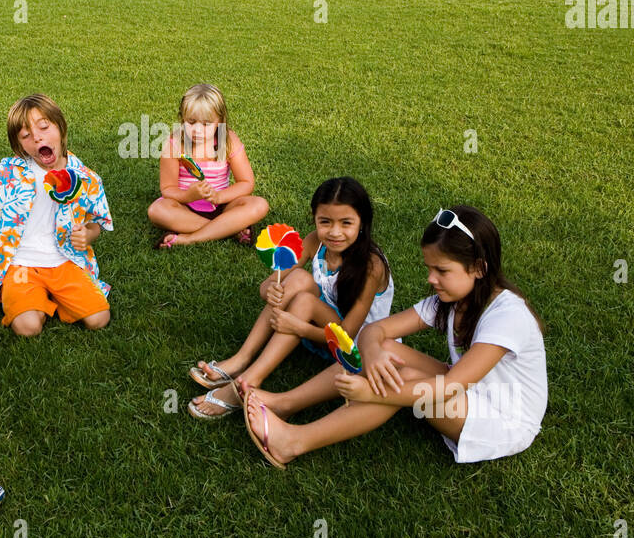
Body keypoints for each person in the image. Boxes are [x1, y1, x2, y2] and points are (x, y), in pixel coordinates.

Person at [240, 205, 547, 468]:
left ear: (479, 268)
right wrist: (372, 357)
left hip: (502, 418)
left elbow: (454, 385)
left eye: (441, 270)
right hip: (468, 388)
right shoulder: (451, 299)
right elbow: (377, 330)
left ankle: (294, 441)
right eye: (429, 268)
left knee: (402, 376)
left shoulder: (507, 316)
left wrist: (370, 391)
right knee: (385, 352)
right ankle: (285, 404)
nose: (430, 279)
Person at [188, 177, 393, 419]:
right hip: (324, 323)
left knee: (304, 301)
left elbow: (346, 335)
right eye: (325, 222)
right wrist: (270, 291)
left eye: (346, 223)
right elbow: (269, 283)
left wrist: (300, 327)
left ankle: (247, 383)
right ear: (314, 218)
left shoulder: (371, 266)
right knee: (297, 280)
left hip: (355, 346)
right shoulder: (316, 241)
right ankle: (240, 359)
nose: (335, 232)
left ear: (362, 222)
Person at [0, 94, 113, 337]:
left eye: (44, 127)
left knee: (99, 318)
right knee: (28, 327)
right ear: (20, 145)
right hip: (20, 264)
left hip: (65, 262)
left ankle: (43, 299)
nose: (37, 137)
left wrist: (88, 235)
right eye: (26, 136)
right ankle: (31, 299)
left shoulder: (85, 177)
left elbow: (95, 223)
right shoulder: (10, 172)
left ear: (60, 127)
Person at [149, 83, 268, 247]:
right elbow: (167, 189)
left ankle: (189, 237)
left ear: (220, 122)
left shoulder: (229, 141)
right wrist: (188, 196)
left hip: (223, 205)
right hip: (185, 208)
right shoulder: (174, 144)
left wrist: (218, 197)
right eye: (191, 122)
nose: (197, 130)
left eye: (206, 124)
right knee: (157, 210)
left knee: (259, 204)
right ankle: (230, 229)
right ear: (182, 118)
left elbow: (246, 183)